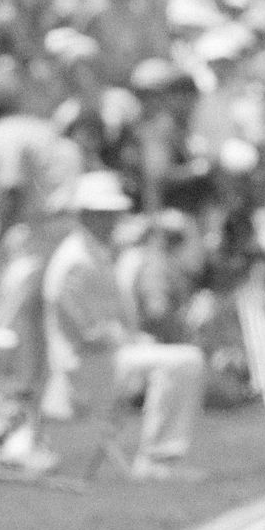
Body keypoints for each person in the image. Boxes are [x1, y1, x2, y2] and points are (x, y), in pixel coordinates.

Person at [40, 171, 206, 480]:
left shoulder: (94, 254)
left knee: (182, 358)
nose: (110, 221)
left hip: (104, 358)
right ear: (84, 216)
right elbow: (89, 333)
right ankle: (158, 458)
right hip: (85, 367)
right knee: (184, 361)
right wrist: (131, 340)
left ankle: (161, 456)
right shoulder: (76, 261)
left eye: (112, 214)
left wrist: (132, 339)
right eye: (101, 214)